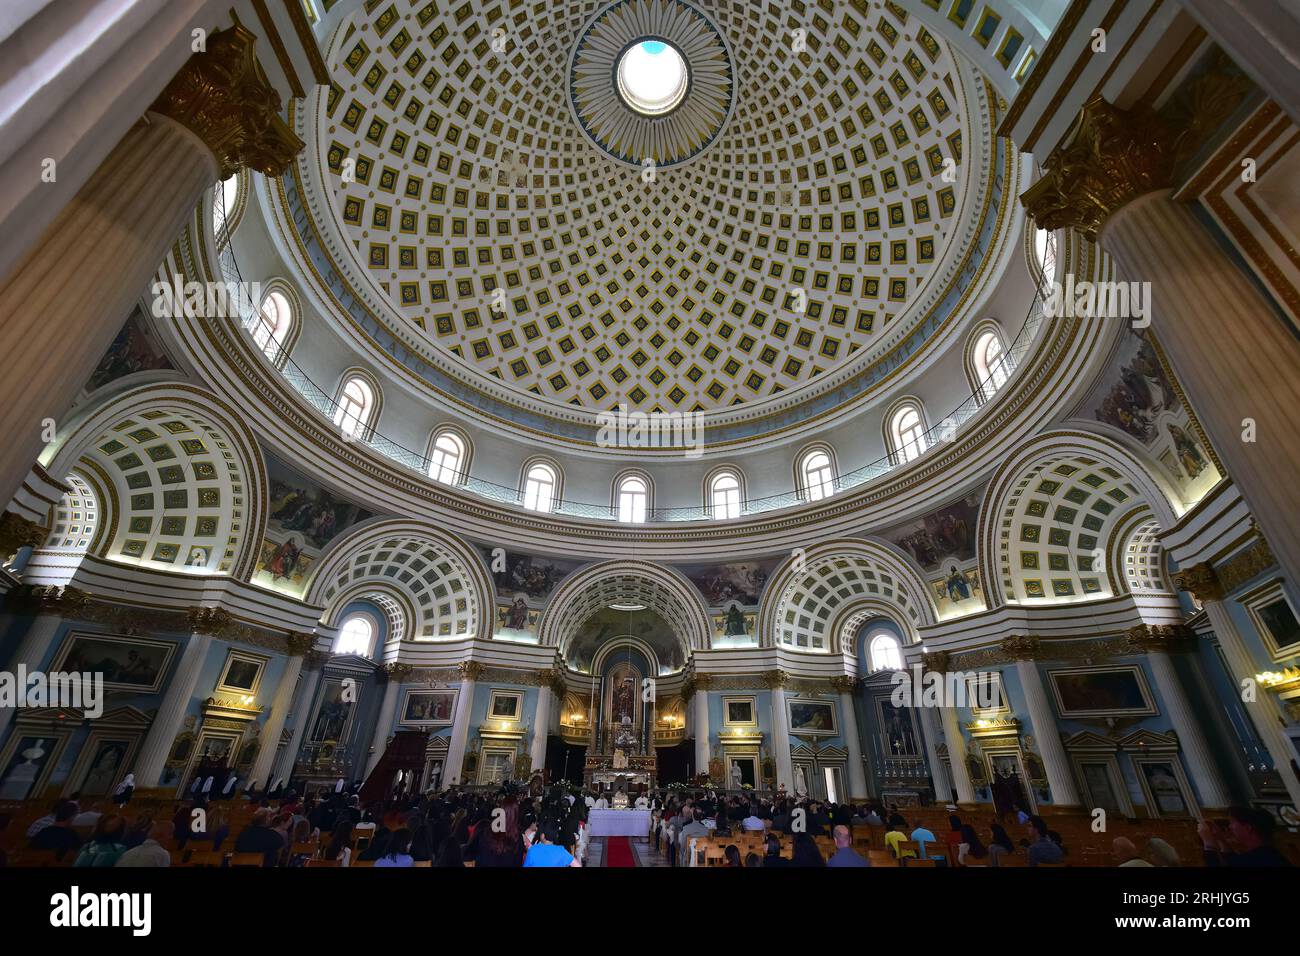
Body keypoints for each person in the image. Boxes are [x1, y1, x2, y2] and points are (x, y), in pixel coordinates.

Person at [1201, 807, 1292, 867]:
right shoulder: (1267, 853)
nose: (1230, 827)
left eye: (1232, 822)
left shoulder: (1261, 858)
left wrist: (1209, 844)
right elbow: (1233, 862)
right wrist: (1220, 839)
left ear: (1248, 828)